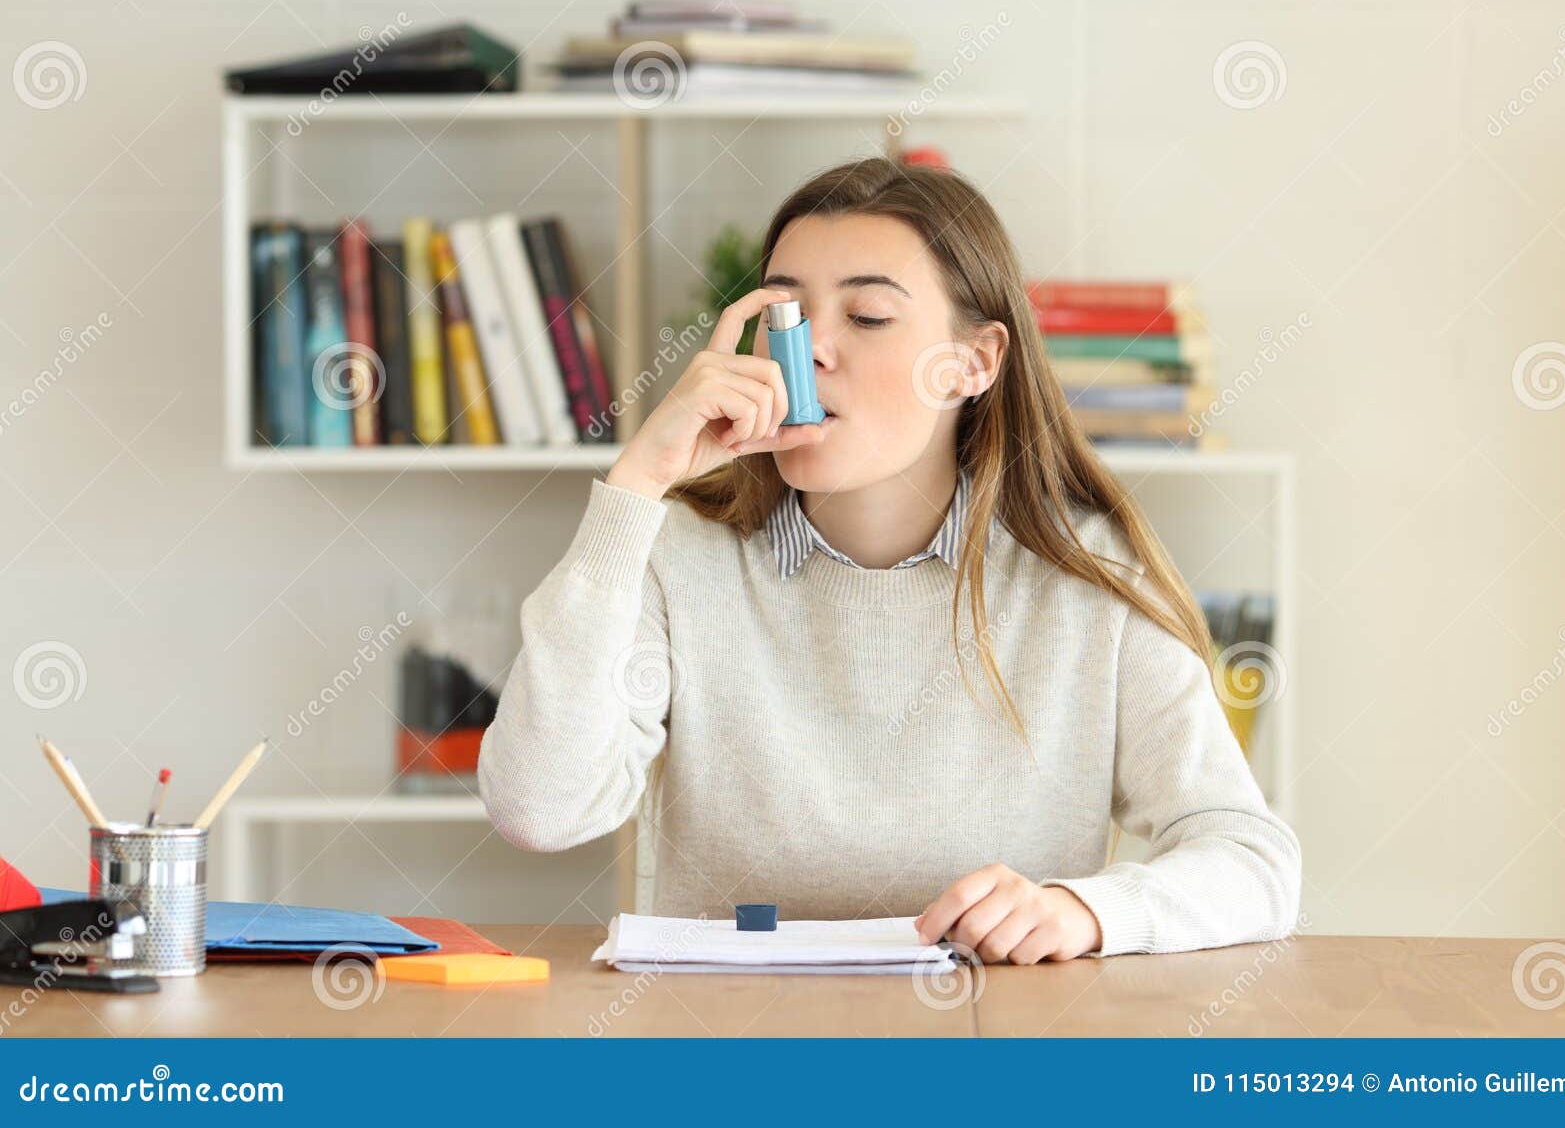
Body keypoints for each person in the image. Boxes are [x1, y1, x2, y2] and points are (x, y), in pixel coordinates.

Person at [480, 157, 1301, 963]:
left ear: (973, 363)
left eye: (868, 317)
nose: (810, 352)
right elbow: (539, 808)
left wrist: (1086, 909)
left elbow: (1252, 860)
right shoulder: (673, 553)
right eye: (786, 317)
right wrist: (634, 489)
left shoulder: (1085, 575)